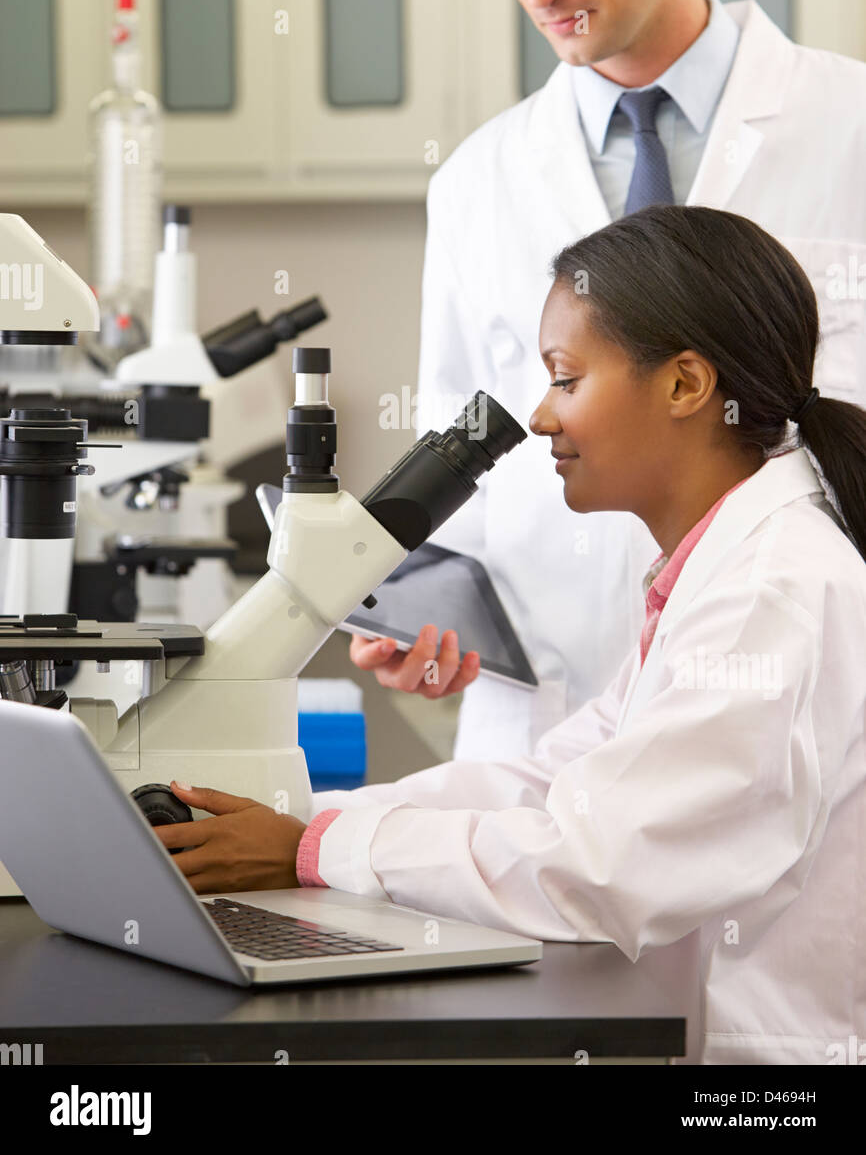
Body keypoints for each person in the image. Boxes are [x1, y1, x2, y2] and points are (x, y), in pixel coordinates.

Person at [159, 204, 866, 1065]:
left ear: (685, 386)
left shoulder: (770, 589)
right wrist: (301, 822)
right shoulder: (720, 567)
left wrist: (316, 848)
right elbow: (549, 781)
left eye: (566, 379)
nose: (539, 417)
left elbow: (604, 865)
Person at [349, 0, 866, 762]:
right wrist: (426, 616)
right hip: (546, 725)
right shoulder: (476, 182)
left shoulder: (850, 127)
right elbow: (456, 453)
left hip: (797, 718)